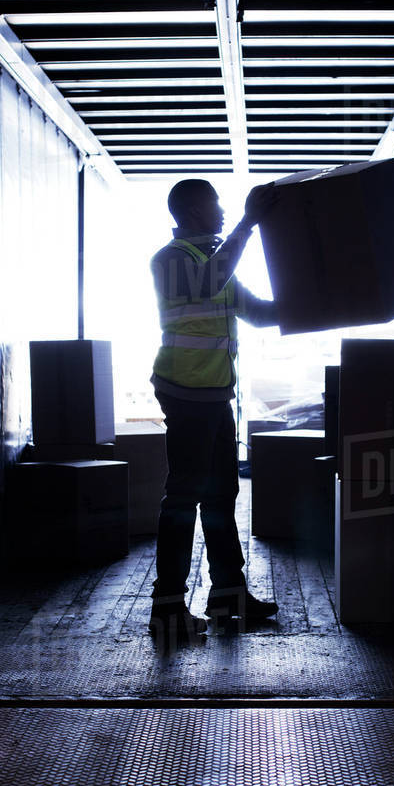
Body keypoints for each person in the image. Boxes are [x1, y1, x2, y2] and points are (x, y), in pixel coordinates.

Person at [148, 178, 280, 646]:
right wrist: (249, 222)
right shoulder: (171, 260)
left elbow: (259, 313)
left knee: (221, 495)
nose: (223, 212)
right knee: (183, 499)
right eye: (216, 205)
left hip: (215, 395)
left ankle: (228, 594)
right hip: (185, 394)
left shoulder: (213, 262)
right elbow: (208, 283)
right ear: (191, 211)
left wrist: (315, 300)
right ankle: (167, 607)